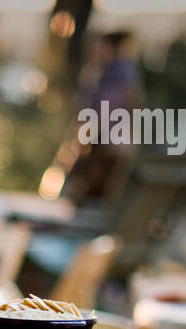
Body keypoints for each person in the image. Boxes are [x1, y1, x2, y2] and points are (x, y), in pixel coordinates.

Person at [63, 30, 143, 205]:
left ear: (109, 48)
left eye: (99, 47)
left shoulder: (118, 75)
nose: (94, 51)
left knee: (90, 192)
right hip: (103, 144)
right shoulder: (108, 73)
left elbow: (104, 110)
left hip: (108, 146)